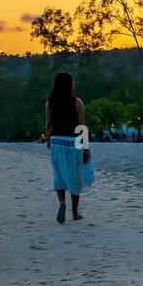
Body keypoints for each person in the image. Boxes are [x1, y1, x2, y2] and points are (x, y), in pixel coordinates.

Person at [45, 71, 95, 223]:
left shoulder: (50, 102)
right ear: (69, 85)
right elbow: (81, 126)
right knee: (75, 176)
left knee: (58, 174)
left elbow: (48, 124)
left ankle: (62, 203)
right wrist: (85, 148)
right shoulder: (77, 102)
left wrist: (49, 141)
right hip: (73, 142)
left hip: (57, 142)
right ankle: (74, 213)